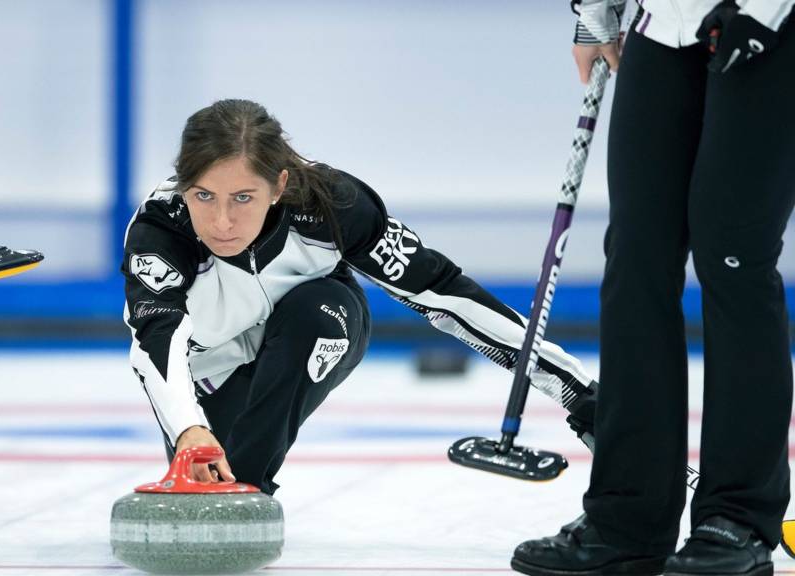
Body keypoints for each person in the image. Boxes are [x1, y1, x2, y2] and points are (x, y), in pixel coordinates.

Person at [122, 98, 600, 494]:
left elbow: (444, 293)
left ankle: (247, 490)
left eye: (242, 197)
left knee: (318, 313)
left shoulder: (332, 205)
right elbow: (156, 340)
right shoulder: (161, 229)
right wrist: (189, 427)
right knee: (204, 462)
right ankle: (218, 457)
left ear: (279, 184)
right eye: (203, 196)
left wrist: (579, 393)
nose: (222, 221)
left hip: (315, 329)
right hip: (208, 375)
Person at [512, 1, 794, 575]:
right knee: (636, 260)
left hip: (769, 26)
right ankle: (627, 518)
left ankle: (738, 516)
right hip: (661, 27)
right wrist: (594, 11)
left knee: (733, 259)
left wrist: (765, 11)